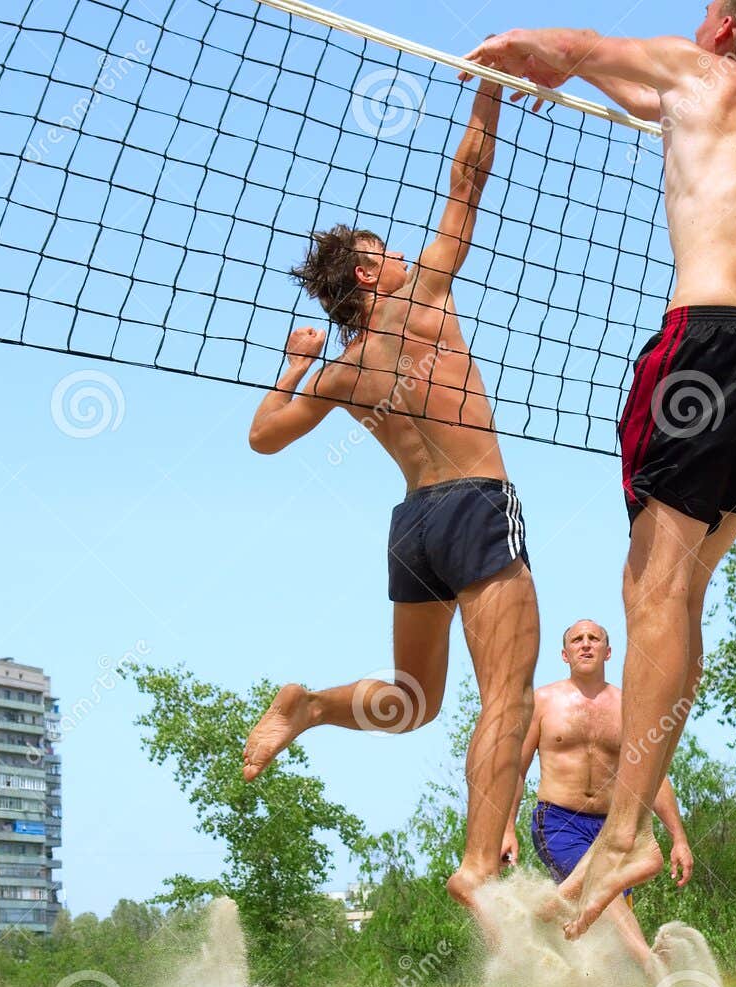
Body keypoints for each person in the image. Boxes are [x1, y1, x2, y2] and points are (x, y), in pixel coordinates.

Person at [466, 2, 736, 937]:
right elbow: (625, 88)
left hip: (707, 350)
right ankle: (629, 828)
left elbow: (568, 43)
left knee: (649, 596)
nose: (693, 16)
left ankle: (620, 836)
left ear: (729, 30)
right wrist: (569, 75)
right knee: (680, 597)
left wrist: (517, 53)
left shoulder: (701, 76)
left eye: (707, 8)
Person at [240, 79, 539, 913]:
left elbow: (263, 436)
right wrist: (493, 92)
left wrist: (295, 360)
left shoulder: (342, 371)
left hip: (414, 526)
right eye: (389, 252)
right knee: (507, 698)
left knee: (416, 704)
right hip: (478, 503)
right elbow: (467, 185)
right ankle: (480, 864)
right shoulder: (423, 300)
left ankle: (306, 708)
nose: (407, 256)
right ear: (373, 271)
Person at [504, 619, 692, 970]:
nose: (586, 644)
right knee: (600, 889)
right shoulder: (543, 702)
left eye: (594, 638)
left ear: (608, 651)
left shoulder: (629, 709)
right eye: (577, 639)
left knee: (608, 912)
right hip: (559, 822)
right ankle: (651, 965)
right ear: (564, 654)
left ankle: (555, 940)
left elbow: (654, 777)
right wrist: (506, 827)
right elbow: (517, 768)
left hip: (614, 825)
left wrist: (678, 837)